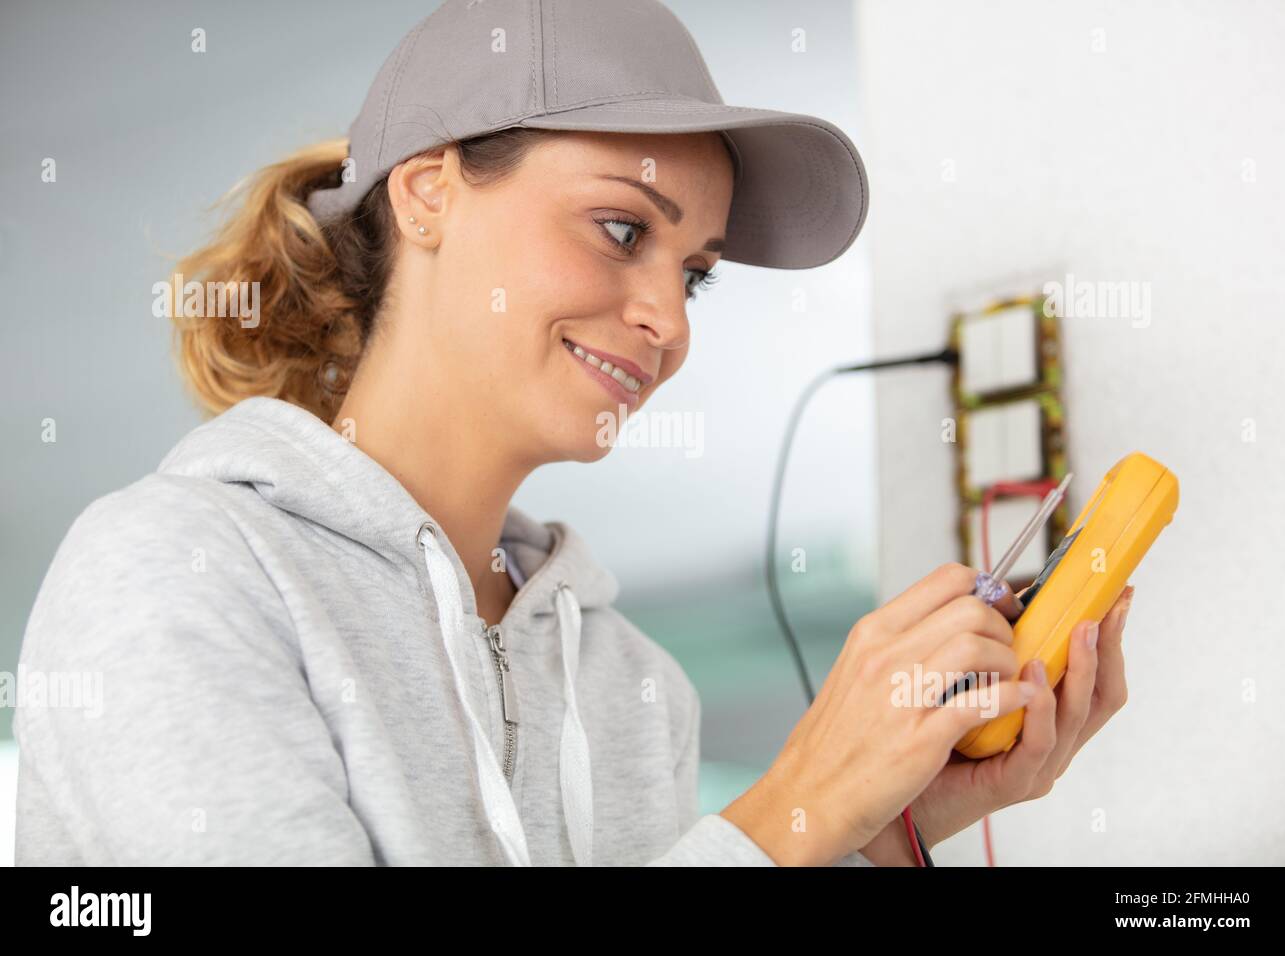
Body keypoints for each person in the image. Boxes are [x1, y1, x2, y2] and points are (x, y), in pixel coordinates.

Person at [13, 0, 1134, 866]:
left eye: (696, 271)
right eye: (619, 226)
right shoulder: (176, 574)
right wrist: (791, 807)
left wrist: (870, 832)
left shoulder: (631, 679)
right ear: (426, 194)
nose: (670, 319)